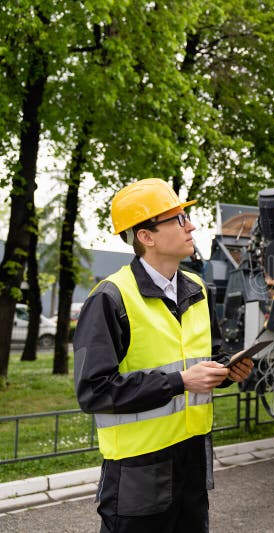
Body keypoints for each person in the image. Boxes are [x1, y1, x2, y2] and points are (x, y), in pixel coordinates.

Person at [73, 178, 254, 533]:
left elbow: (207, 355)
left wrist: (228, 368)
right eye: (178, 219)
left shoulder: (198, 288)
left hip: (191, 462)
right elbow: (94, 390)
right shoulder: (110, 298)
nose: (192, 226)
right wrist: (181, 382)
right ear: (146, 236)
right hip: (137, 469)